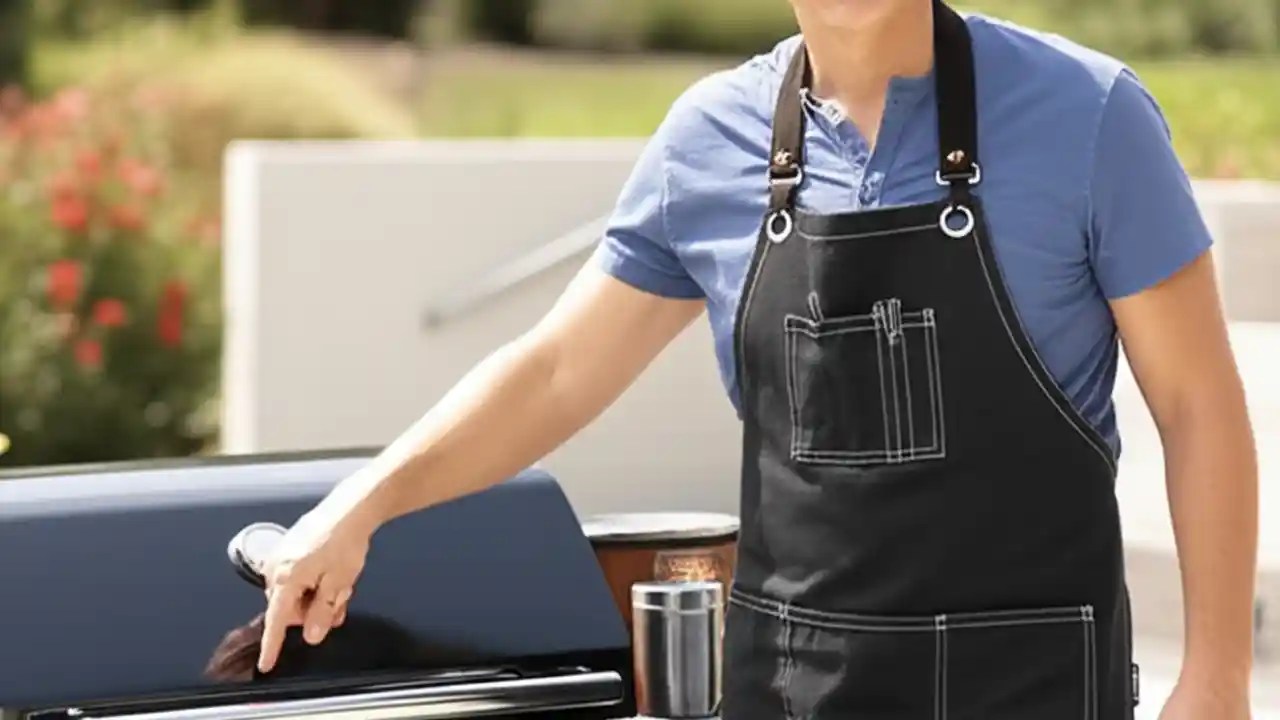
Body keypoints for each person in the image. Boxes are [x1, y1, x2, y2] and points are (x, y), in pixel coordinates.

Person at [253, 1, 1258, 717]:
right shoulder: (709, 139)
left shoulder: (1089, 117)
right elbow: (558, 369)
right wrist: (362, 503)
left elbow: (1197, 406)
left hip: (1033, 689)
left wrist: (1211, 681)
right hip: (790, 689)